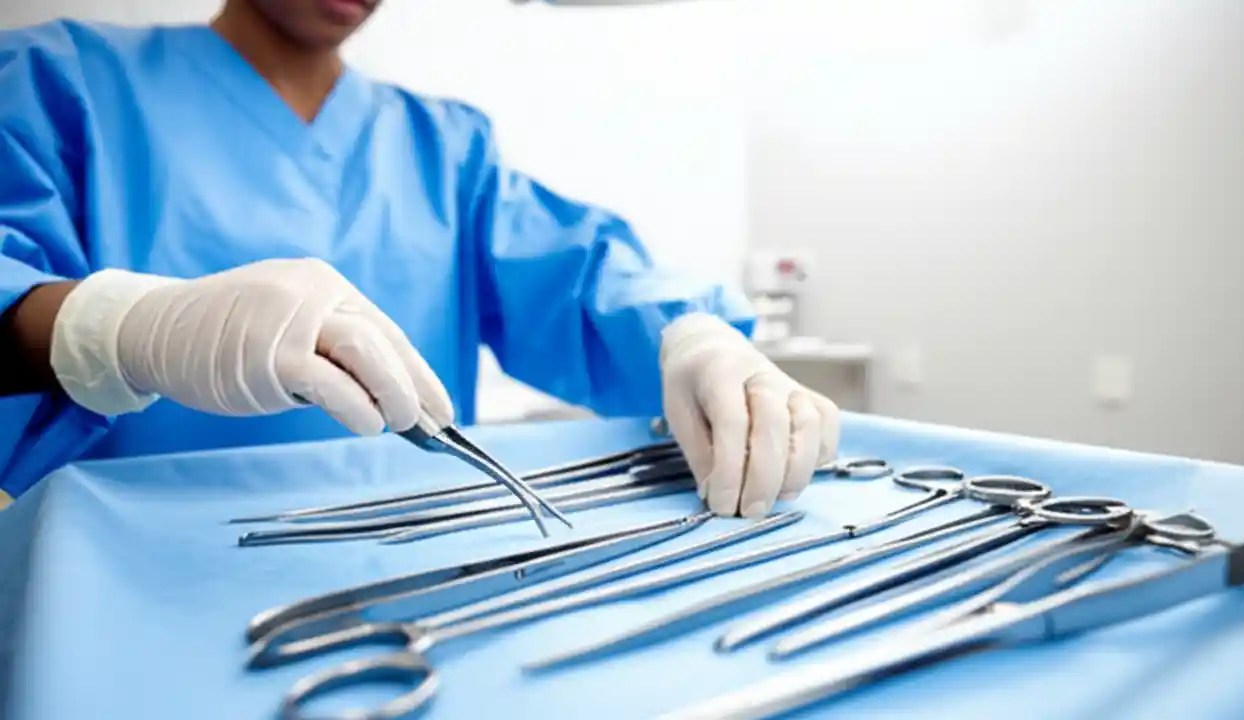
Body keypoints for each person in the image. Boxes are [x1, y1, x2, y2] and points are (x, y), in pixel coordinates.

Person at [0, 0, 840, 517]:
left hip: (417, 570)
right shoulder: (57, 79)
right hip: (128, 585)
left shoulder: (445, 145)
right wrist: (120, 331)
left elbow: (580, 277)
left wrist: (690, 337)